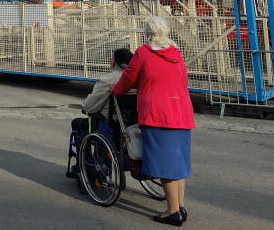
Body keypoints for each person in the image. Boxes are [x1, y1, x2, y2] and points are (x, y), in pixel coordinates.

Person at [113, 16, 194, 226]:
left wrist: (118, 90)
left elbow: (129, 77)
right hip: (182, 112)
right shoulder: (176, 53)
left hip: (158, 114)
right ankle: (180, 206)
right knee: (178, 163)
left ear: (147, 33)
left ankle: (172, 211)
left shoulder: (144, 53)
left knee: (166, 164)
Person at [68, 47, 133, 177]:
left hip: (109, 127)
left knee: (78, 124)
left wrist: (85, 106)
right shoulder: (138, 79)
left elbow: (89, 107)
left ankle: (86, 165)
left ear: (115, 62)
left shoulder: (107, 80)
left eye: (112, 58)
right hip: (132, 127)